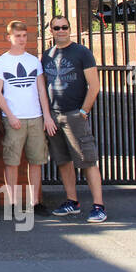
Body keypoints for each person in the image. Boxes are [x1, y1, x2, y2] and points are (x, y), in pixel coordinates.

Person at [42, 17, 106, 222]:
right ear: (51, 30)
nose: (61, 30)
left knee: (87, 160)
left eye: (64, 27)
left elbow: (94, 86)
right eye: (56, 28)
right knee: (63, 161)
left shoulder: (82, 53)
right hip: (54, 115)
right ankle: (72, 201)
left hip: (74, 114)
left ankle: (99, 205)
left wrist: (84, 111)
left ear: (69, 29)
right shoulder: (47, 55)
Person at [0, 20, 57, 214]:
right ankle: (12, 203)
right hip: (14, 119)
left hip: (35, 117)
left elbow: (41, 90)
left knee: (36, 161)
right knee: (12, 161)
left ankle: (35, 202)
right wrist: (9, 116)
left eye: (24, 35)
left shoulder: (33, 61)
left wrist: (47, 116)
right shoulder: (1, 62)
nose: (21, 39)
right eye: (17, 36)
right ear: (9, 37)